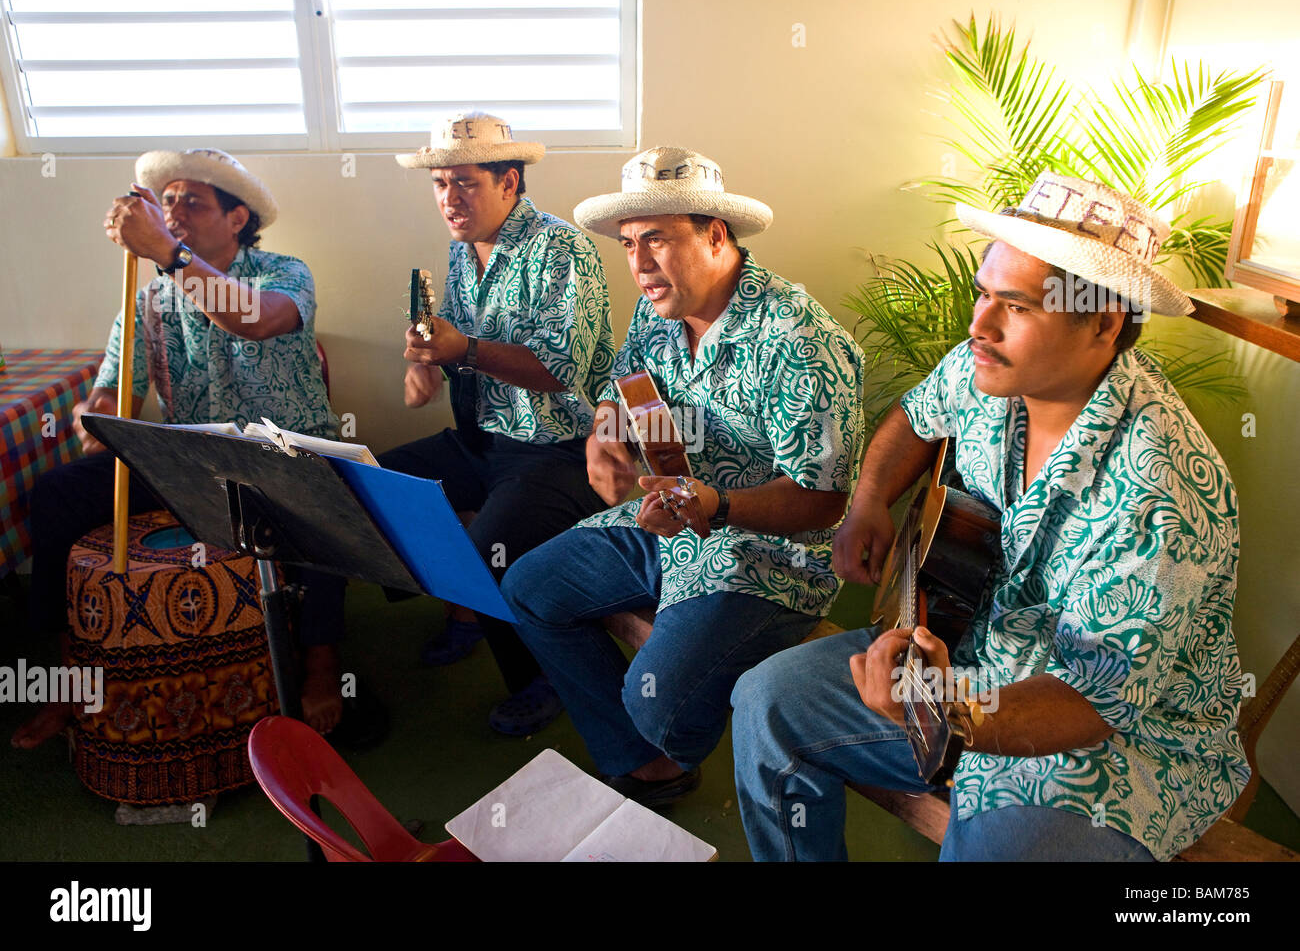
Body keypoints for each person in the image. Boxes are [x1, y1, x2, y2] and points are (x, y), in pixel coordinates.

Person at [730, 173, 1250, 861]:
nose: (979, 325)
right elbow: (916, 416)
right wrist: (867, 503)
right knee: (768, 701)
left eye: (1016, 306)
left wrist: (942, 709)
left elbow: (1092, 701)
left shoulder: (1164, 491)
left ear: (1103, 322)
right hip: (970, 652)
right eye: (983, 293)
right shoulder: (990, 371)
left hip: (1120, 744)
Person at [500, 147, 865, 806]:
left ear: (716, 234)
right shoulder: (658, 304)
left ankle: (658, 735)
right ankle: (642, 760)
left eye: (657, 240)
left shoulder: (798, 341)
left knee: (660, 707)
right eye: (629, 243)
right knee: (527, 588)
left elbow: (823, 501)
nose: (638, 265)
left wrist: (718, 504)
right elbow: (628, 377)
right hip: (670, 517)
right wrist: (607, 429)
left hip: (767, 557)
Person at [13, 148, 350, 747]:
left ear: (238, 218)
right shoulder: (145, 301)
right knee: (58, 493)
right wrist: (94, 416)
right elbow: (114, 396)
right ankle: (69, 673)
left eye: (193, 202)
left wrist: (170, 257)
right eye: (166, 202)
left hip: (282, 455)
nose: (175, 213)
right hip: (190, 462)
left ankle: (321, 660)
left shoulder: (283, 271)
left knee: (326, 494)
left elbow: (254, 319)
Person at [390, 112, 614, 735]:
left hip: (561, 448)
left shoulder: (562, 247)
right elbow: (455, 356)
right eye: (440, 184)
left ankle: (542, 676)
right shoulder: (463, 254)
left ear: (510, 181)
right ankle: (467, 610)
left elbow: (561, 368)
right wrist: (426, 362)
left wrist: (461, 350)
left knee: (490, 552)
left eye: (465, 182)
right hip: (483, 439)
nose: (449, 199)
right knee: (375, 482)